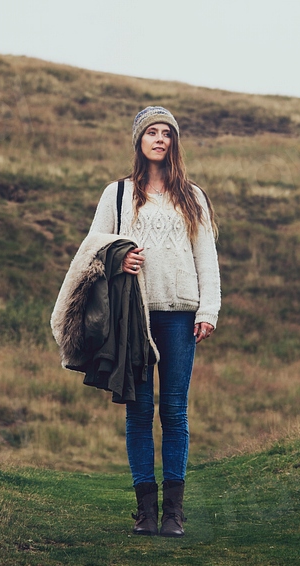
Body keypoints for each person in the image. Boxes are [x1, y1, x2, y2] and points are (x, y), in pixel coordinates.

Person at [86, 106, 221, 537]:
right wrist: (119, 257)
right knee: (140, 412)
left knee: (175, 412)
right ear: (139, 141)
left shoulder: (192, 196)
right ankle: (145, 512)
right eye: (152, 132)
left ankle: (174, 514)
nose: (160, 139)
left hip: (181, 316)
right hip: (134, 318)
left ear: (174, 142)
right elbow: (93, 248)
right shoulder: (119, 194)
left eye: (166, 133)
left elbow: (206, 258)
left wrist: (208, 309)